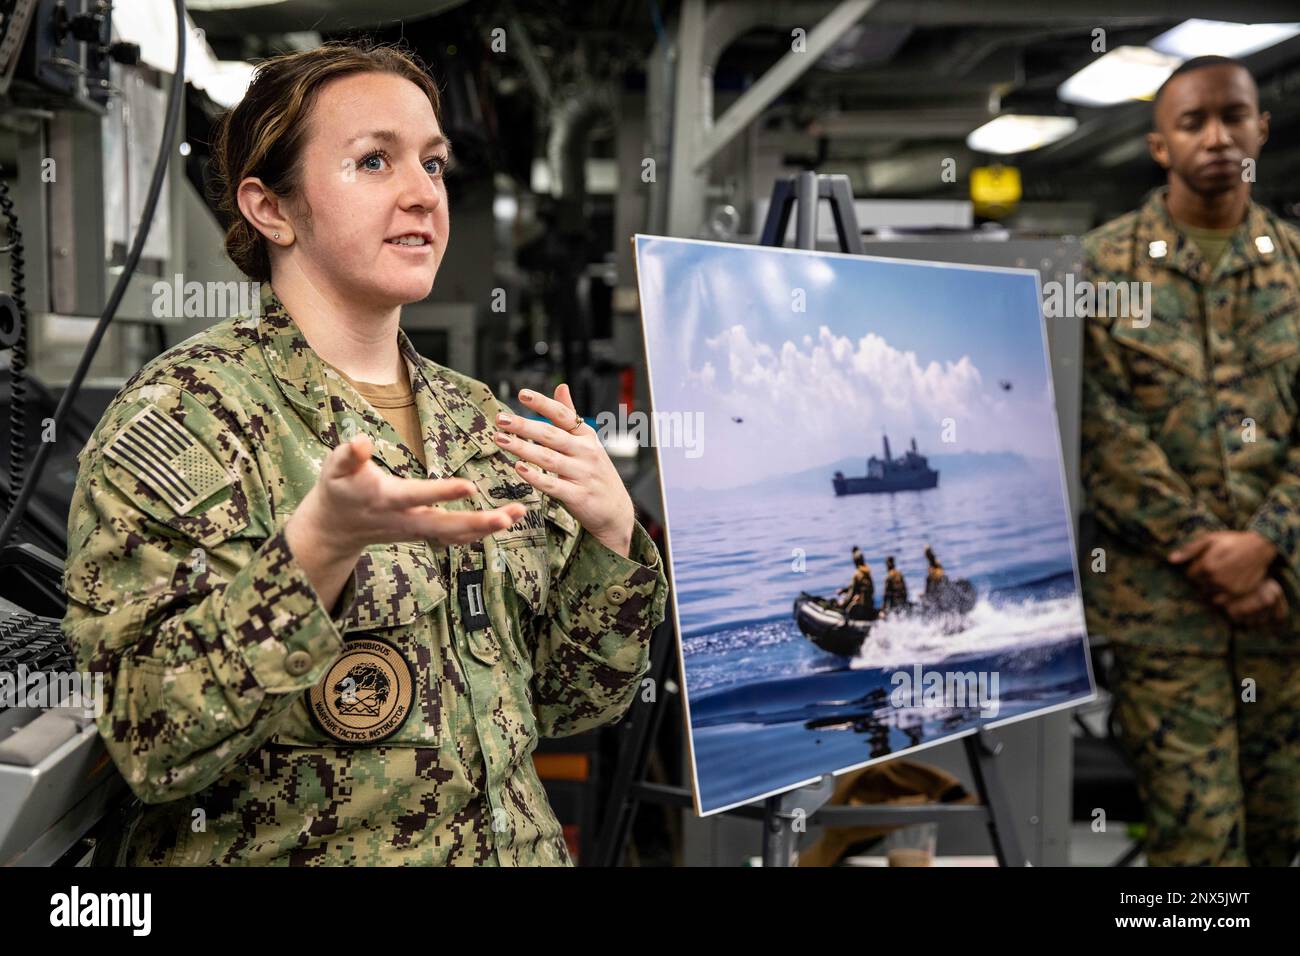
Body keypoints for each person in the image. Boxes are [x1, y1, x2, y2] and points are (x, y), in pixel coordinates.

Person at [60, 41, 669, 866]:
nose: (423, 193)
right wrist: (316, 555)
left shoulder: (476, 417)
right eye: (374, 161)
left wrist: (610, 538)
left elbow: (566, 704)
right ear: (271, 209)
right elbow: (150, 742)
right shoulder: (184, 422)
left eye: (434, 163)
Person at [1080, 55, 1300, 866]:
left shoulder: (1298, 268)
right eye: (1192, 122)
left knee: (1283, 836)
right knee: (1199, 845)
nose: (1217, 137)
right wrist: (1221, 558)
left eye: (1234, 116)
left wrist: (1266, 545)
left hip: (1286, 611)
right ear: (1159, 146)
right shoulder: (1100, 271)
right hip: (1166, 620)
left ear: (1260, 129)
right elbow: (1104, 439)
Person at [836, 546, 875, 618]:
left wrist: (842, 605)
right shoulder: (868, 573)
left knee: (845, 609)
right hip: (870, 606)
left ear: (855, 562)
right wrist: (844, 590)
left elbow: (851, 593)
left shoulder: (857, 575)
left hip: (862, 608)